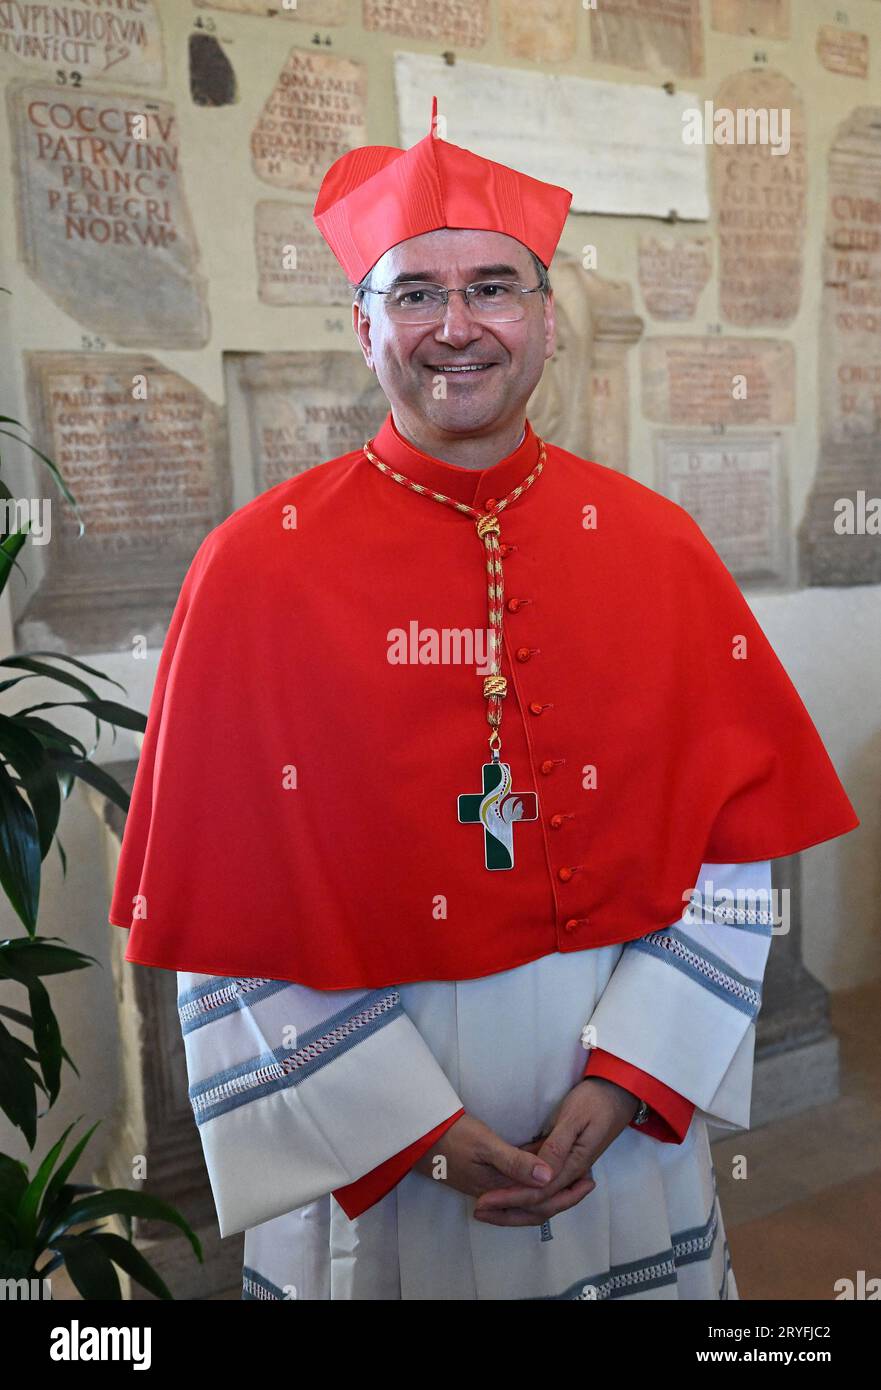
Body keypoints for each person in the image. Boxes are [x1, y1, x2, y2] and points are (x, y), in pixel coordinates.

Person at [109, 99, 859, 1300]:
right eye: (414, 294)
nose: (455, 326)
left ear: (546, 323)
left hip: (615, 1123)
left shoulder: (658, 549)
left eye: (493, 288)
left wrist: (631, 1079)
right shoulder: (255, 570)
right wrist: (404, 1124)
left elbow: (733, 853)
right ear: (364, 328)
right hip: (383, 1141)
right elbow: (225, 915)